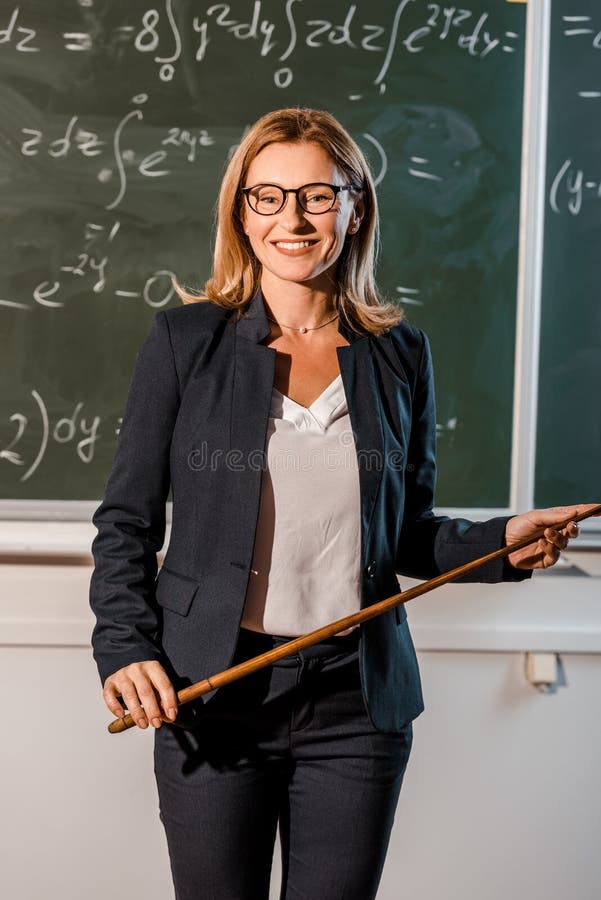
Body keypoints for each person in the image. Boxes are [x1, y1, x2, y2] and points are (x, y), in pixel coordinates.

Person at [89, 107, 592, 900]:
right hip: (215, 692)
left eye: (317, 197)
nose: (292, 218)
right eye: (268, 196)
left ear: (355, 206)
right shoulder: (186, 342)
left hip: (355, 706)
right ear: (240, 212)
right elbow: (126, 522)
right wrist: (125, 647)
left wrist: (501, 542)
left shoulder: (400, 353)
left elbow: (406, 534)